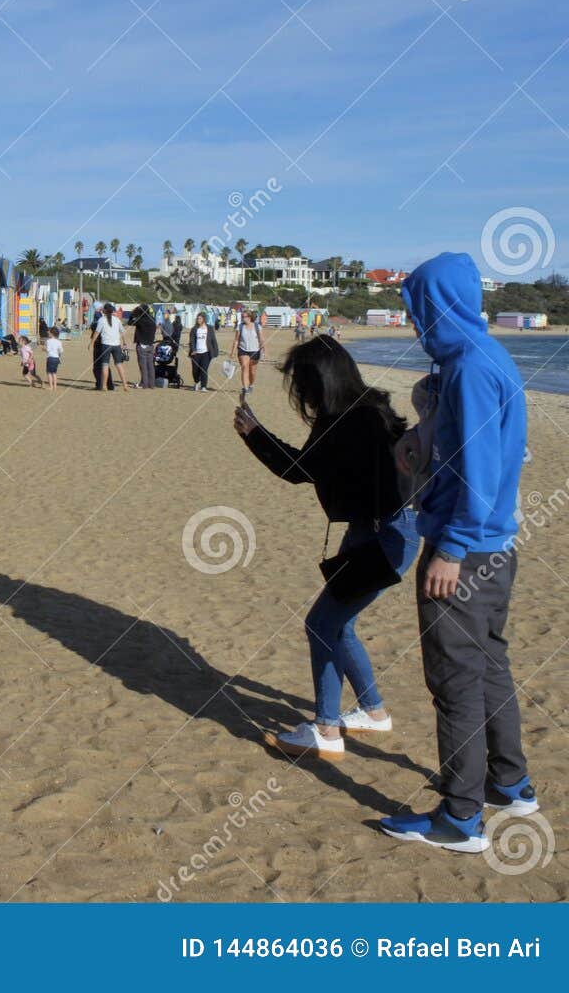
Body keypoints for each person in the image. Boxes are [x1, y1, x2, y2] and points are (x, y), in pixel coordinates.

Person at [380, 253, 534, 853]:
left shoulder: (470, 367)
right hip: (497, 549)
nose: (415, 322)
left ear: (435, 305)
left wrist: (452, 548)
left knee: (455, 682)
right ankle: (511, 783)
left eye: (417, 307)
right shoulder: (484, 355)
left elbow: (479, 470)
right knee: (491, 666)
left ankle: (460, 817)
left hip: (465, 553)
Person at [234, 337, 419, 762]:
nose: (300, 394)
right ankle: (373, 712)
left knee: (322, 624)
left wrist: (254, 434)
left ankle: (325, 730)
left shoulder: (345, 420)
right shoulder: (370, 407)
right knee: (340, 624)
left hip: (384, 536)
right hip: (382, 530)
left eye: (302, 384)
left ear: (320, 382)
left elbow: (299, 469)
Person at [90, 302, 128, 395]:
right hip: (117, 345)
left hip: (106, 345)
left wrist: (91, 343)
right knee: (119, 365)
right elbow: (123, 332)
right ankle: (125, 385)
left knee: (105, 365)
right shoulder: (117, 320)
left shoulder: (102, 320)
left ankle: (104, 386)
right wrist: (124, 342)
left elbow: (97, 332)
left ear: (104, 311)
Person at [228, 309, 267, 395]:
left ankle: (251, 385)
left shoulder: (257, 326)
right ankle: (245, 388)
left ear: (249, 317)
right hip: (243, 350)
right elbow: (236, 340)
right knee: (245, 367)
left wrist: (264, 351)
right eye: (242, 317)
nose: (242, 318)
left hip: (255, 351)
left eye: (244, 317)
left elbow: (261, 339)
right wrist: (232, 352)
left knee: (252, 371)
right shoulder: (240, 326)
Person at [128, 304, 157, 390]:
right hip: (150, 345)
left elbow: (129, 322)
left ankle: (144, 383)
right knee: (150, 365)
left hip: (142, 345)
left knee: (143, 366)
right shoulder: (153, 319)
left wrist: (133, 313)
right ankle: (151, 384)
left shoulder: (140, 320)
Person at [188, 311, 219, 391]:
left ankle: (203, 386)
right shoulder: (194, 329)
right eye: (197, 318)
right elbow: (191, 340)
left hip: (206, 353)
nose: (198, 320)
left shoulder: (209, 328)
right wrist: (193, 350)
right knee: (195, 370)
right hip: (196, 353)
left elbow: (213, 340)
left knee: (204, 369)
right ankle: (196, 382)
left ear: (204, 319)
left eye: (200, 318)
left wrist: (215, 351)